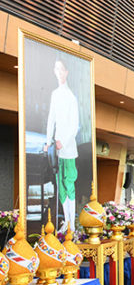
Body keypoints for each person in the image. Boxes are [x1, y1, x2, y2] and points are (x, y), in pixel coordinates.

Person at [44, 58, 80, 234]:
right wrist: (48, 140)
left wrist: (62, 141)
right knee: (61, 186)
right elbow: (51, 118)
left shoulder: (71, 97)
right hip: (57, 150)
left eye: (61, 69)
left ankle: (72, 224)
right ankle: (66, 221)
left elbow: (74, 126)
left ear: (66, 72)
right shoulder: (55, 94)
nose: (59, 72)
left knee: (69, 183)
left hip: (68, 150)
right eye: (56, 68)